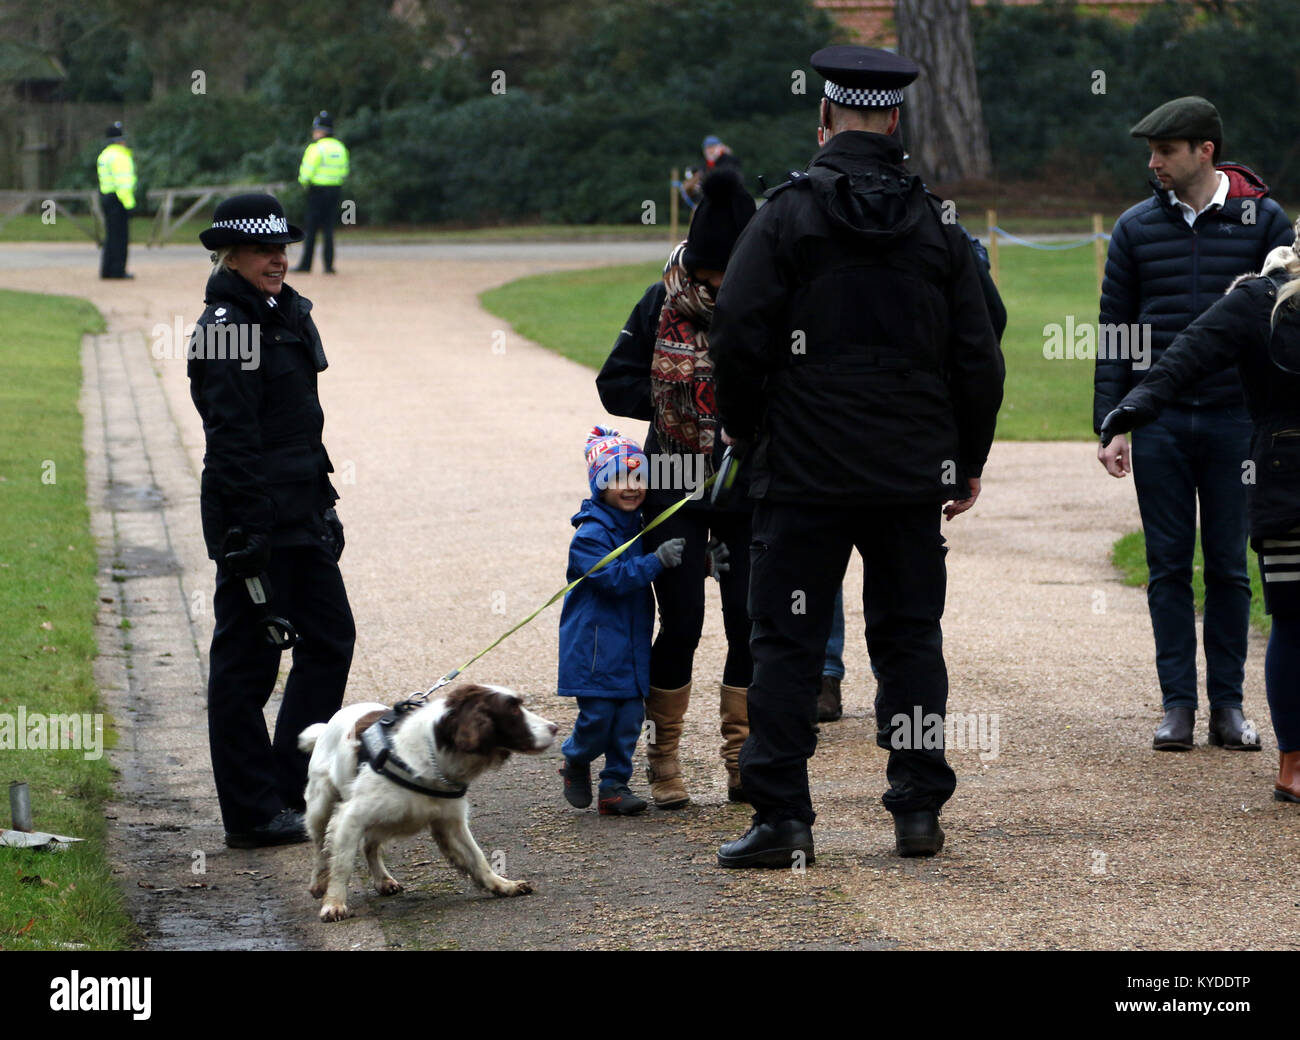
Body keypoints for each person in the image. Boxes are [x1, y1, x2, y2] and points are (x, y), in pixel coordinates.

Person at [708, 44, 1005, 867]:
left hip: (804, 466)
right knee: (910, 638)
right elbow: (983, 348)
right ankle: (916, 811)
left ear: (826, 120)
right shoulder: (937, 224)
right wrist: (965, 455)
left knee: (788, 642)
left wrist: (743, 426)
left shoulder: (785, 214)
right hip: (909, 467)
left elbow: (735, 327)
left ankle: (784, 818)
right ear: (897, 120)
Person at [1095, 96, 1292, 751]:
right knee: (1168, 567)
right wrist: (1112, 423)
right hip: (1163, 423)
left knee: (1232, 569)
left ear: (1205, 150)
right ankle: (1178, 705)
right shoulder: (1133, 228)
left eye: (1166, 151)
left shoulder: (1265, 222)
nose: (1154, 163)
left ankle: (1229, 708)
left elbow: (1288, 329)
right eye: (1151, 152)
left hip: (1241, 423)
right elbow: (1116, 333)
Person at [190, 193, 355, 848]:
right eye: (263, 250)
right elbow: (232, 439)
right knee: (247, 667)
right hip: (253, 520)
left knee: (330, 639)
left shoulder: (283, 315)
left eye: (283, 248)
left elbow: (299, 428)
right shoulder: (228, 326)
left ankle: (293, 784)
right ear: (232, 256)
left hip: (301, 510)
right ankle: (253, 813)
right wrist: (248, 533)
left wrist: (324, 504)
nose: (278, 259)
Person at [596, 169, 756, 808]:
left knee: (747, 620)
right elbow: (614, 384)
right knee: (683, 619)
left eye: (729, 273)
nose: (719, 286)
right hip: (672, 478)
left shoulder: (767, 303)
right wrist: (677, 404)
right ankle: (663, 760)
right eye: (711, 274)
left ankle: (743, 760)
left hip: (743, 482)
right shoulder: (656, 303)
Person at [817, 224, 1007, 724]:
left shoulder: (807, 226)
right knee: (904, 599)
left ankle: (826, 678)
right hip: (910, 442)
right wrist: (963, 450)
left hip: (830, 438)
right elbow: (985, 342)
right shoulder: (943, 237)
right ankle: (897, 711)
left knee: (823, 568)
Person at [557, 427, 686, 816]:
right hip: (595, 649)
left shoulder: (639, 526)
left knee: (629, 721)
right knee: (597, 718)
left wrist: (703, 561)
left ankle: (614, 786)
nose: (631, 487)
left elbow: (660, 561)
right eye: (618, 479)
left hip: (630, 649)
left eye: (638, 478)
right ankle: (575, 759)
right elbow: (612, 579)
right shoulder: (590, 535)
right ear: (600, 484)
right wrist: (655, 560)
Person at [294, 111, 349, 275]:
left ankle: (306, 264)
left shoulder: (316, 148)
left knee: (311, 229)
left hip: (317, 191)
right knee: (329, 229)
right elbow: (345, 171)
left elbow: (307, 171)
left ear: (320, 130)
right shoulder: (340, 147)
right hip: (335, 190)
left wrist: (304, 183)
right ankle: (328, 265)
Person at [97, 122, 136, 280]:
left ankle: (107, 269)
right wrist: (129, 205)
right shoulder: (120, 156)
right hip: (119, 199)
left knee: (111, 236)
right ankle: (118, 270)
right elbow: (123, 184)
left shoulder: (104, 155)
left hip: (106, 197)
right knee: (120, 237)